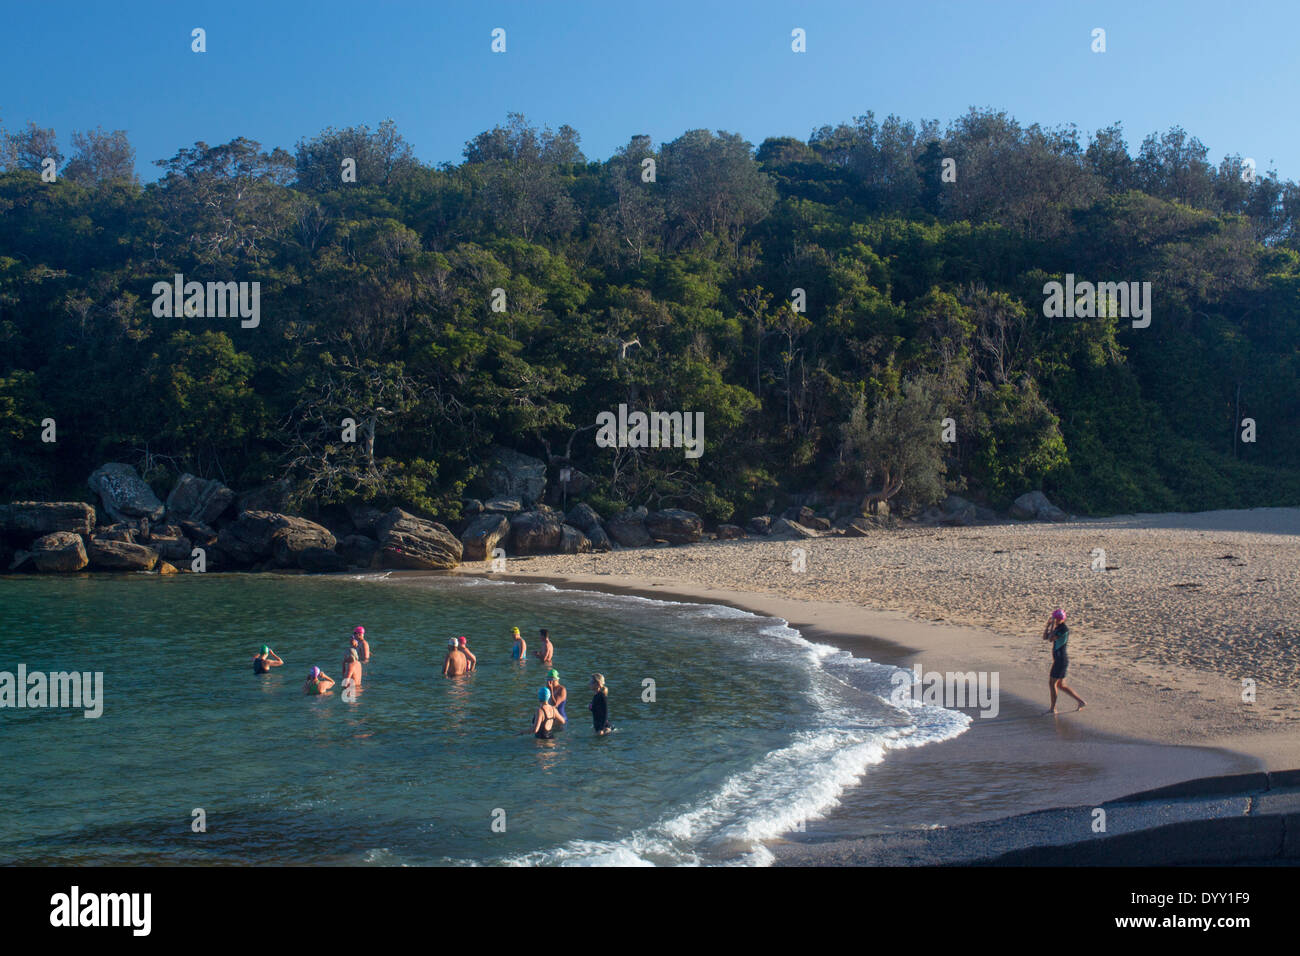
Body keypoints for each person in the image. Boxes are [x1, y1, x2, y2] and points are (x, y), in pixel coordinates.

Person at [1043, 608, 1086, 713]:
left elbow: (1051, 638)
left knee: (1052, 683)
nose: (1056, 621)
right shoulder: (1057, 628)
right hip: (1059, 660)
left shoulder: (1063, 629)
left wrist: (1052, 625)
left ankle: (1053, 708)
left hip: (1061, 660)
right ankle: (1081, 701)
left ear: (1062, 619)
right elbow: (1045, 637)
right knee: (1061, 685)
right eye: (1055, 619)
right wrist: (1047, 626)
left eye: (1057, 619)